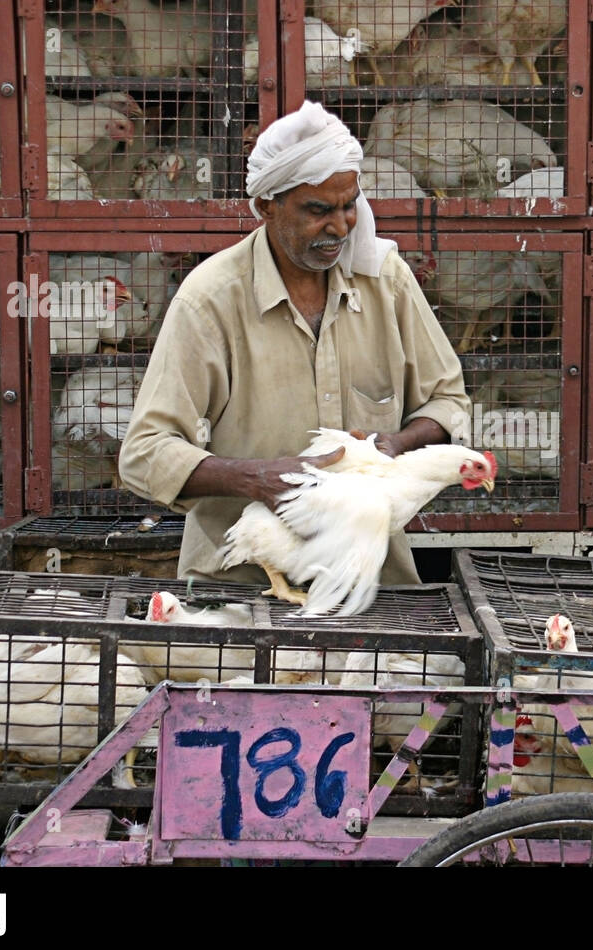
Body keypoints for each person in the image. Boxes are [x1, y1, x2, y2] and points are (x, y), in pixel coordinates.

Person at [118, 102, 471, 590]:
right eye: (318, 210)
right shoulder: (211, 300)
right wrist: (253, 478)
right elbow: (144, 454)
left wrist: (398, 444)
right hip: (240, 585)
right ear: (267, 206)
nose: (342, 227)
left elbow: (448, 401)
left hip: (369, 585)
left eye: (349, 205)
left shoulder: (385, 281)